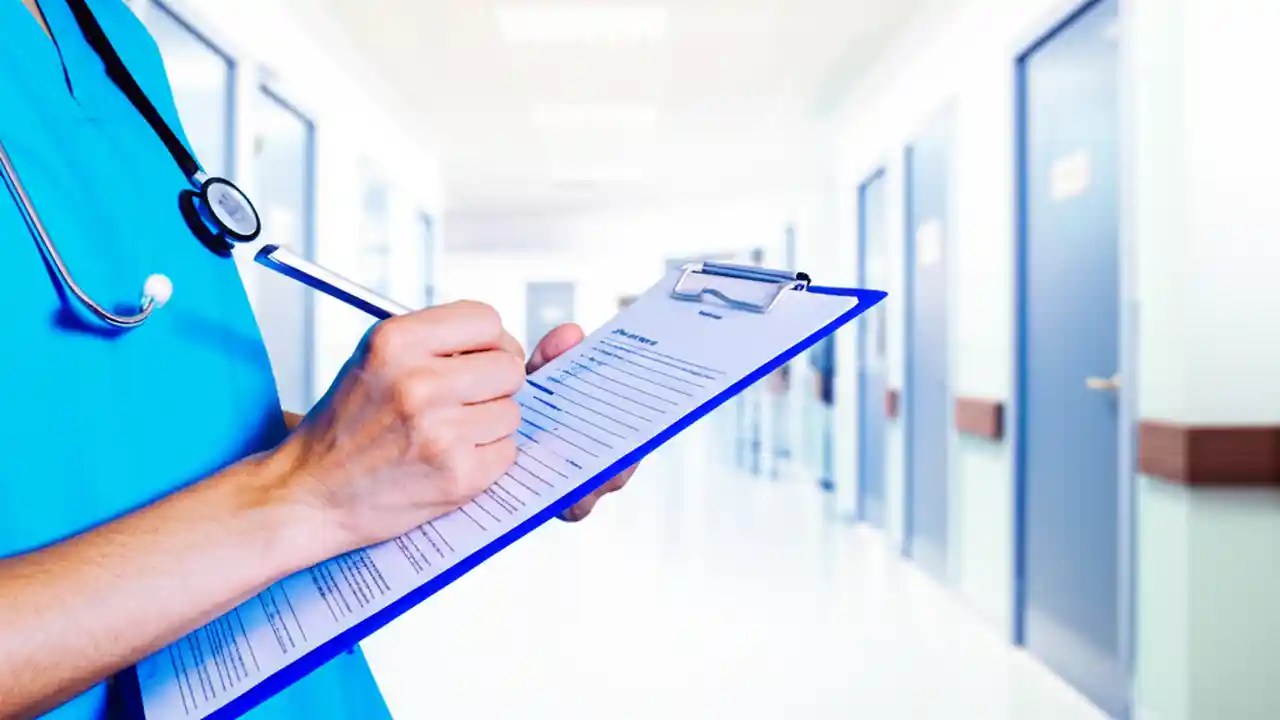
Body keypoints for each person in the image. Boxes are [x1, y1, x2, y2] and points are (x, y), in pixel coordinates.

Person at [0, 0, 636, 717]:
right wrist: (305, 492)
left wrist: (453, 441)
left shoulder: (117, 36)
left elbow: (151, 420)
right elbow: (295, 488)